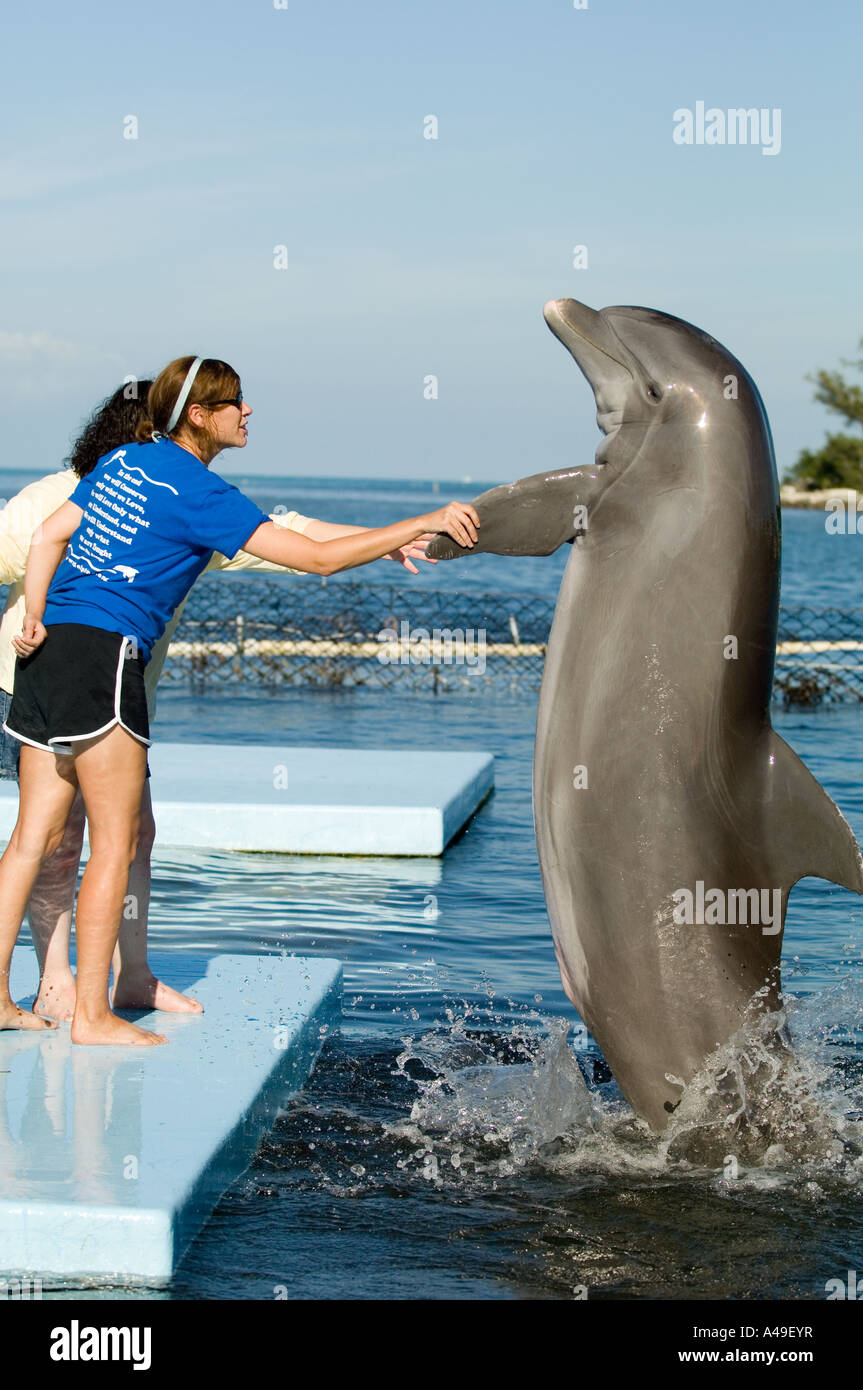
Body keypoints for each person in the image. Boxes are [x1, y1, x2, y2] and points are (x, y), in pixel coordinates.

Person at [0, 355, 479, 1046]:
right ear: (198, 415)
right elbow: (313, 560)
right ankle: (93, 1018)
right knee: (115, 843)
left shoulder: (125, 461)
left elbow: (49, 535)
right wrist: (420, 520)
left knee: (29, 841)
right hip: (106, 659)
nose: (247, 412)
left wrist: (36, 616)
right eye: (234, 402)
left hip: (42, 658)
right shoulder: (197, 490)